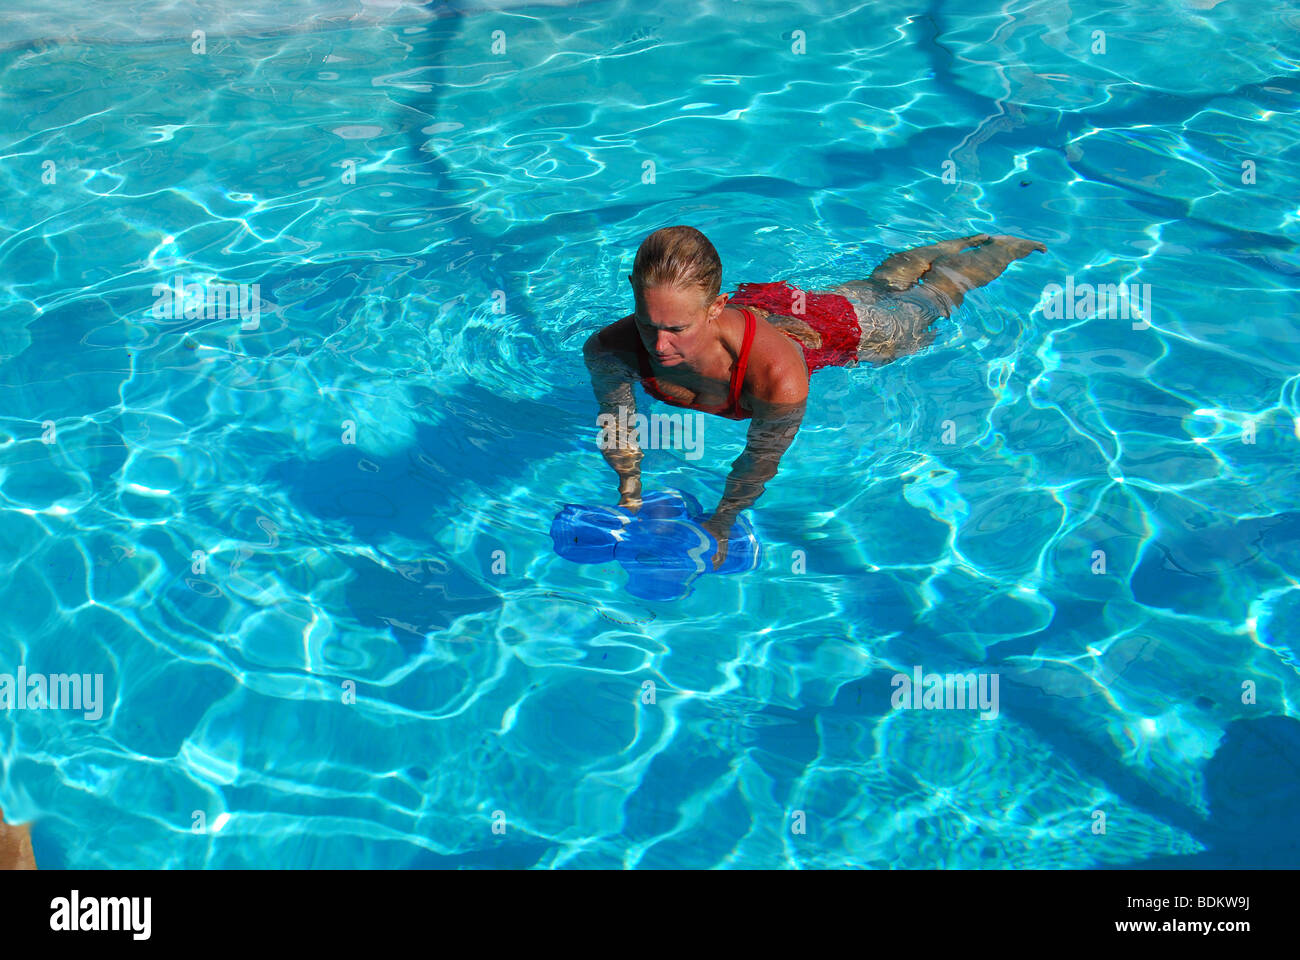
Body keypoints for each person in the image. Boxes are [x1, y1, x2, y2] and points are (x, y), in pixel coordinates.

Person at [583, 225, 1045, 568]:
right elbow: (618, 424)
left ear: (717, 306)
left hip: (841, 332)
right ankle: (945, 245)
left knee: (930, 300)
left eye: (677, 328)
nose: (658, 346)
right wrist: (630, 495)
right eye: (648, 323)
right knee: (877, 286)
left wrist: (722, 521)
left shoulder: (776, 375)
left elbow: (759, 459)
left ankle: (1000, 247)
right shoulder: (610, 350)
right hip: (781, 311)